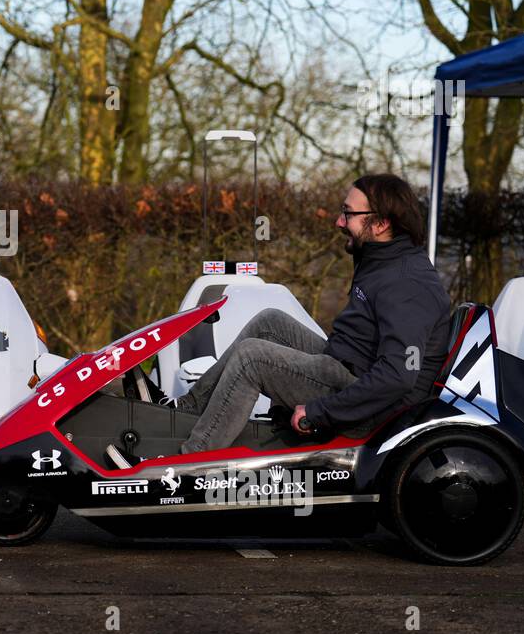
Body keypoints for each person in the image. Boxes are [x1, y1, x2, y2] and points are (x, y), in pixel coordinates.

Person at [107, 173, 452, 467]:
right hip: (347, 367)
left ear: (380, 223)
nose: (338, 221)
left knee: (254, 358)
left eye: (348, 214)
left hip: (372, 406)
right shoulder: (381, 259)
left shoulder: (407, 283)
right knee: (270, 321)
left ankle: (186, 463)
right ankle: (183, 408)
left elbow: (397, 377)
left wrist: (320, 412)